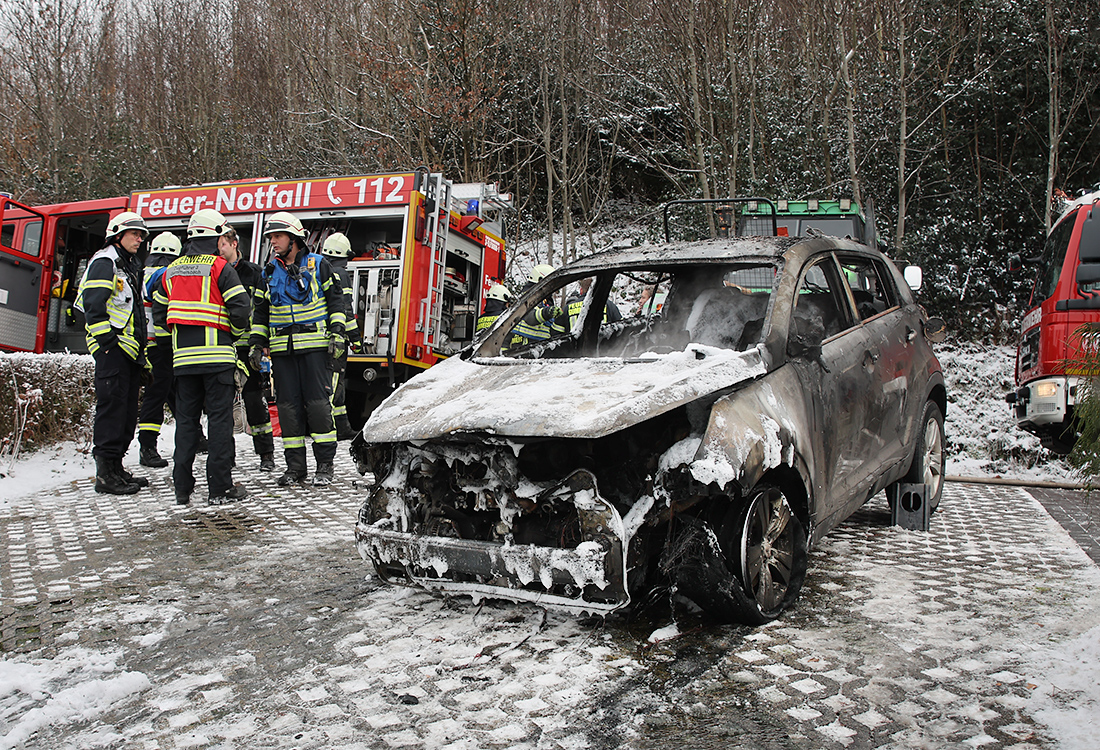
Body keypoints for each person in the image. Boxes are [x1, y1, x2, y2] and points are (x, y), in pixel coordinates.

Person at [152, 209, 251, 505]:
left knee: (186, 424)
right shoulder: (220, 268)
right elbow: (241, 308)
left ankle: (182, 489)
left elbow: (159, 314)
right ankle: (219, 488)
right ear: (216, 237)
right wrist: (232, 334)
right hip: (217, 359)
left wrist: (178, 339)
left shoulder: (171, 271)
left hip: (183, 362)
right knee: (219, 423)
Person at [248, 212, 346, 487]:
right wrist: (256, 344)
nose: (273, 241)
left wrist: (338, 333)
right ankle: (295, 467)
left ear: (294, 238)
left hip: (315, 348)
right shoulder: (268, 273)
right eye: (271, 237)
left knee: (318, 407)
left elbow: (336, 303)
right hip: (283, 352)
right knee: (288, 410)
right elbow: (261, 314)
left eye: (278, 236)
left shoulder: (319, 265)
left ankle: (324, 465)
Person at [75, 211, 151, 495]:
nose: (139, 239)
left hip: (128, 351)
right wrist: (108, 342)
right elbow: (93, 306)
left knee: (126, 413)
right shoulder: (105, 262)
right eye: (134, 234)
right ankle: (105, 474)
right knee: (112, 410)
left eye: (141, 235)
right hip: (113, 350)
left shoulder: (128, 265)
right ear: (117, 235)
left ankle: (116, 468)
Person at [216, 227, 276, 472]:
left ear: (234, 244)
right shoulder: (214, 270)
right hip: (222, 347)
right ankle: (226, 457)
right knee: (222, 406)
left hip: (248, 348)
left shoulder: (253, 273)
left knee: (255, 401)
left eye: (222, 244)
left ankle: (266, 454)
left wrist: (262, 344)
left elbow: (263, 309)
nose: (219, 250)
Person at [137, 232, 183, 468]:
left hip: (143, 343)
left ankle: (195, 436)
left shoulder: (141, 271)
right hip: (160, 344)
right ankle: (147, 446)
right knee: (156, 394)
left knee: (171, 389)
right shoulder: (164, 274)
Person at [319, 232, 361, 441]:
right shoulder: (340, 274)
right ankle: (328, 428)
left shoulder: (318, 270)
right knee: (333, 384)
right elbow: (345, 309)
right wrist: (356, 339)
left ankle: (342, 427)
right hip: (336, 340)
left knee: (335, 384)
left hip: (319, 337)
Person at [512, 264, 565, 346]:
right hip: (524, 344)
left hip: (538, 345)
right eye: (551, 284)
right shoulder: (528, 296)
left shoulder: (545, 299)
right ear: (541, 280)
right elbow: (530, 317)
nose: (553, 288)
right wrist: (546, 313)